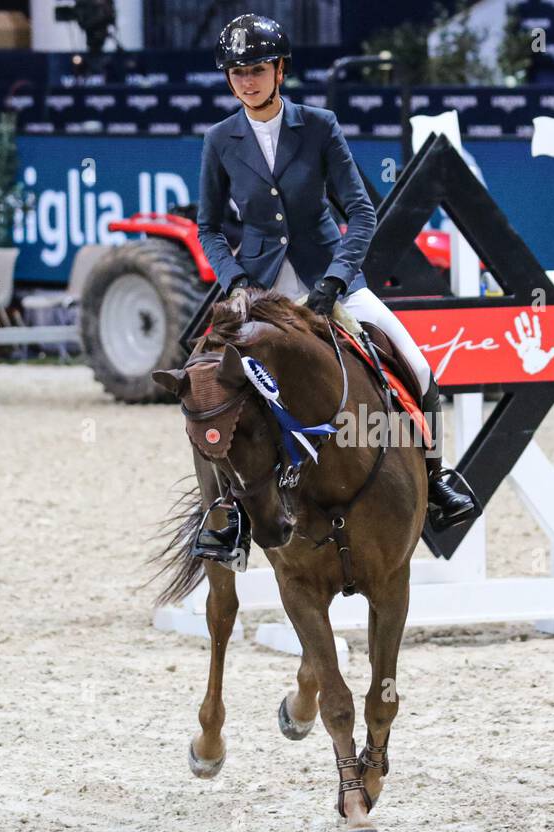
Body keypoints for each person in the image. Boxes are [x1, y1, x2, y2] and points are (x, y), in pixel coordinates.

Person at [192, 13, 478, 566]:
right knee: (205, 390)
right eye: (235, 73)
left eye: (255, 69)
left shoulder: (320, 126)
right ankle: (224, 516)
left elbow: (362, 212)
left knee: (417, 367)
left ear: (280, 70)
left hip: (331, 283)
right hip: (258, 291)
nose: (246, 81)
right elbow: (208, 227)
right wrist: (236, 282)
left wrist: (335, 279)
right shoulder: (220, 140)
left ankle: (438, 479)